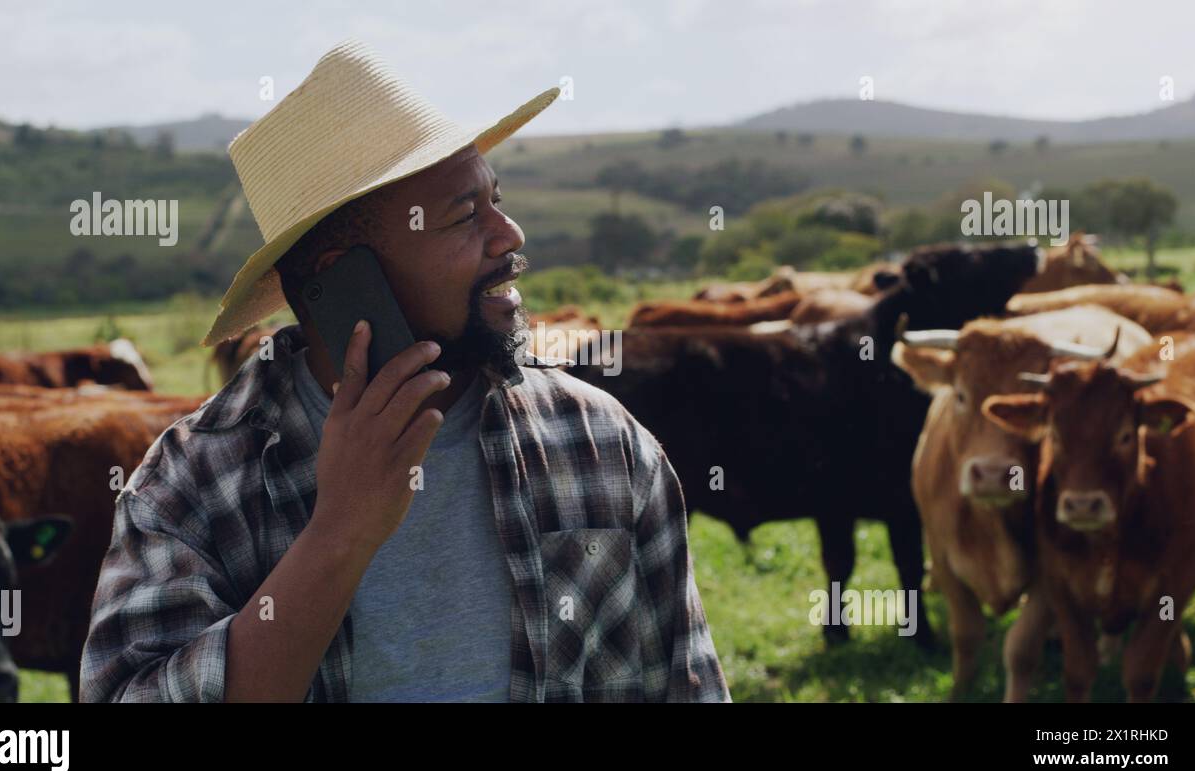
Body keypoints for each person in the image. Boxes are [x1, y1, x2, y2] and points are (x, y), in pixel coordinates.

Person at [80, 38, 728, 703]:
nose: (510, 236)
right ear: (343, 279)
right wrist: (340, 533)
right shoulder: (191, 486)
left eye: (496, 200)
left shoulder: (601, 444)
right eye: (464, 216)